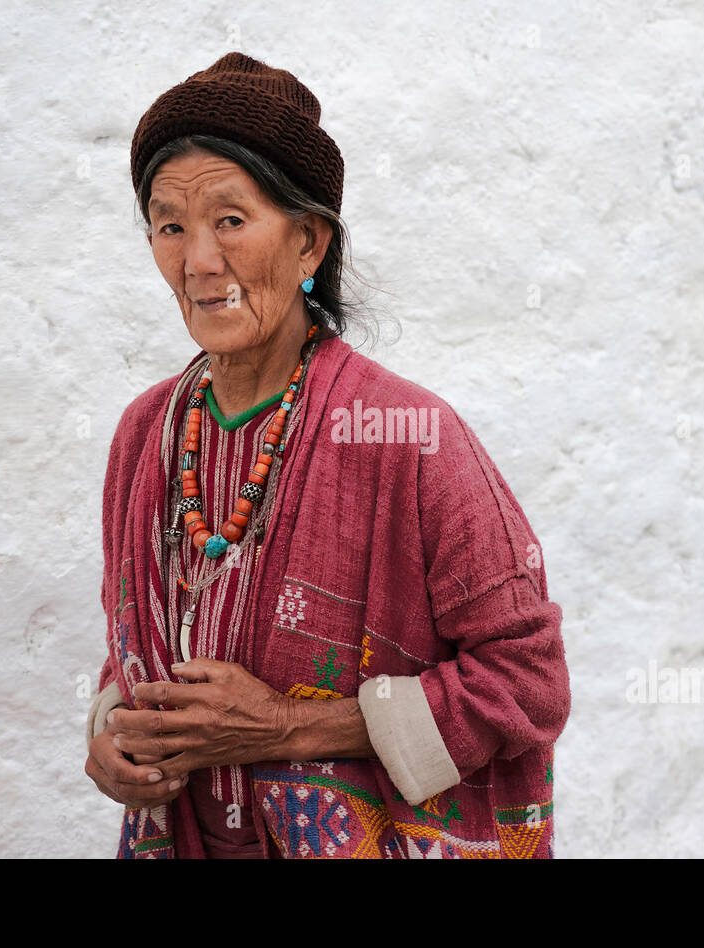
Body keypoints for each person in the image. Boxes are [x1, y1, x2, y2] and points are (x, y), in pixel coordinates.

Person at [83, 51, 570, 858]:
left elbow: (528, 681)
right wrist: (115, 734)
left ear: (309, 242)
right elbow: (140, 643)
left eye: (230, 221)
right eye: (170, 225)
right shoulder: (147, 435)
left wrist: (282, 726)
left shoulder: (410, 434)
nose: (198, 261)